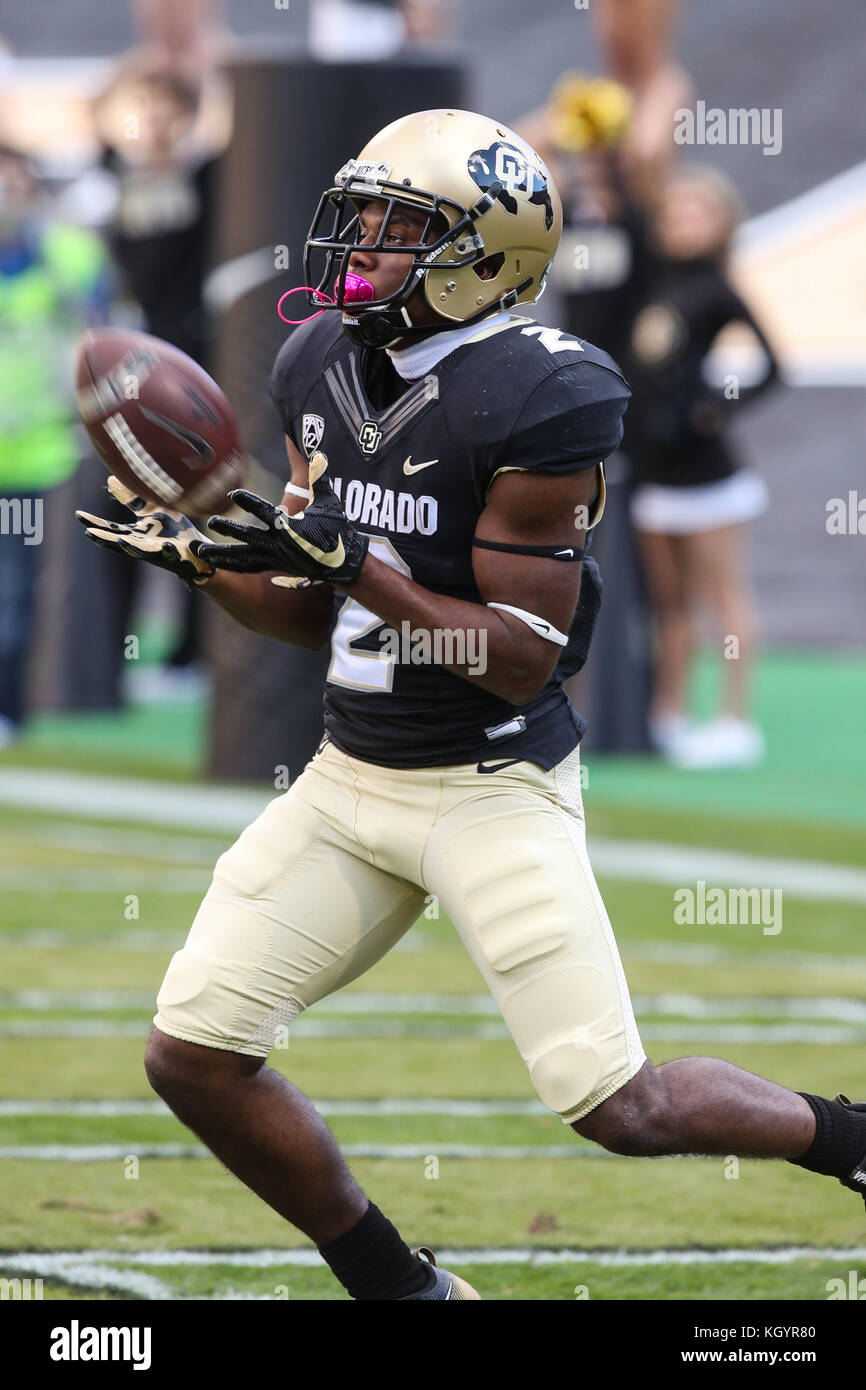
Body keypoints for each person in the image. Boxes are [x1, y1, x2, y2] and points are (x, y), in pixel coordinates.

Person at [77, 110, 865, 1301]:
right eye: (360, 216)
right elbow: (309, 616)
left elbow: (511, 659)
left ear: (482, 256)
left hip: (490, 787)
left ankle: (851, 1140)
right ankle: (404, 1288)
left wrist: (353, 564)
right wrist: (212, 565)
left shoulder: (538, 397)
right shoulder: (316, 366)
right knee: (192, 1056)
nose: (357, 247)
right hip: (348, 785)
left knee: (617, 1103)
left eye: (396, 228)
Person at [626, 166, 779, 766]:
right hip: (655, 473)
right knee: (670, 603)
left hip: (709, 475)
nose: (683, 222)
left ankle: (737, 721)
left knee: (725, 598)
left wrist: (716, 409)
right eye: (676, 212)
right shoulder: (657, 280)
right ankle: (668, 715)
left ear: (722, 225)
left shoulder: (718, 289)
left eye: (698, 213)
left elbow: (773, 364)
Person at [0, 145, 109, 746]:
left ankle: (10, 709)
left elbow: (105, 330)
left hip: (32, 455)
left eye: (14, 184)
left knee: (14, 594)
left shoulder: (68, 255)